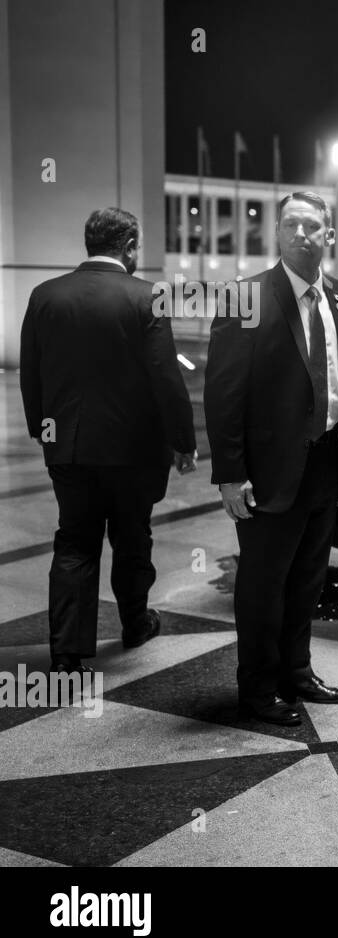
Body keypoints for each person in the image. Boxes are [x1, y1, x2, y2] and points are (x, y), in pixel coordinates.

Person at [204, 192, 338, 727]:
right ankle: (257, 692)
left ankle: (298, 673)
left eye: (311, 226)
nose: (300, 234)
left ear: (328, 236)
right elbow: (222, 396)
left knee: (308, 582)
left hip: (325, 465)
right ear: (276, 233)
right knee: (262, 588)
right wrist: (229, 475)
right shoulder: (247, 298)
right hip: (268, 473)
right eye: (290, 224)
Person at [20, 208, 197, 674]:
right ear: (130, 246)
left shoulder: (45, 296)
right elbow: (166, 378)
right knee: (132, 536)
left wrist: (42, 428)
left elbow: (31, 371)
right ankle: (136, 623)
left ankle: (67, 655)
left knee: (74, 542)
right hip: (133, 452)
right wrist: (183, 440)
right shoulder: (147, 297)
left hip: (71, 447)